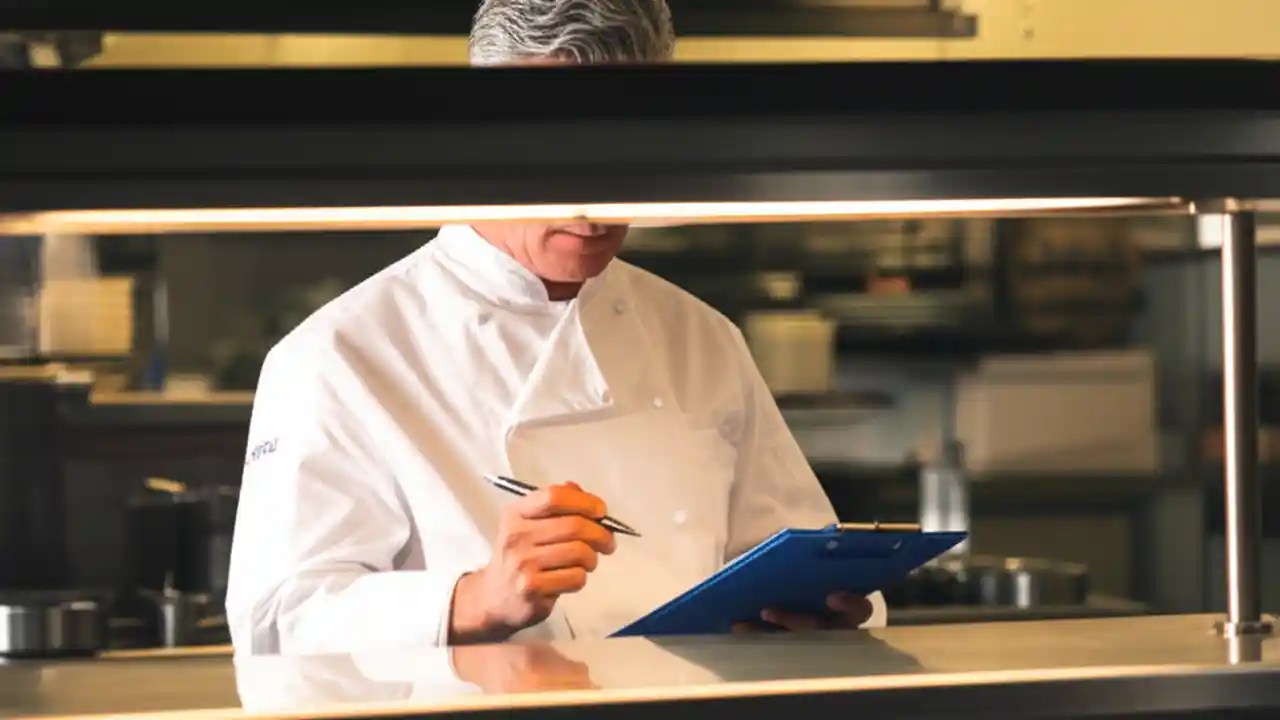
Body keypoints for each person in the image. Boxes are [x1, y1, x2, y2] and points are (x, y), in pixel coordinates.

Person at [225, 0, 886, 657]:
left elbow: (797, 553)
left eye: (630, 162)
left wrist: (827, 613)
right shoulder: (338, 356)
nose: (595, 211)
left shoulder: (701, 337)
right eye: (563, 159)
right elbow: (279, 618)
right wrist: (475, 599)